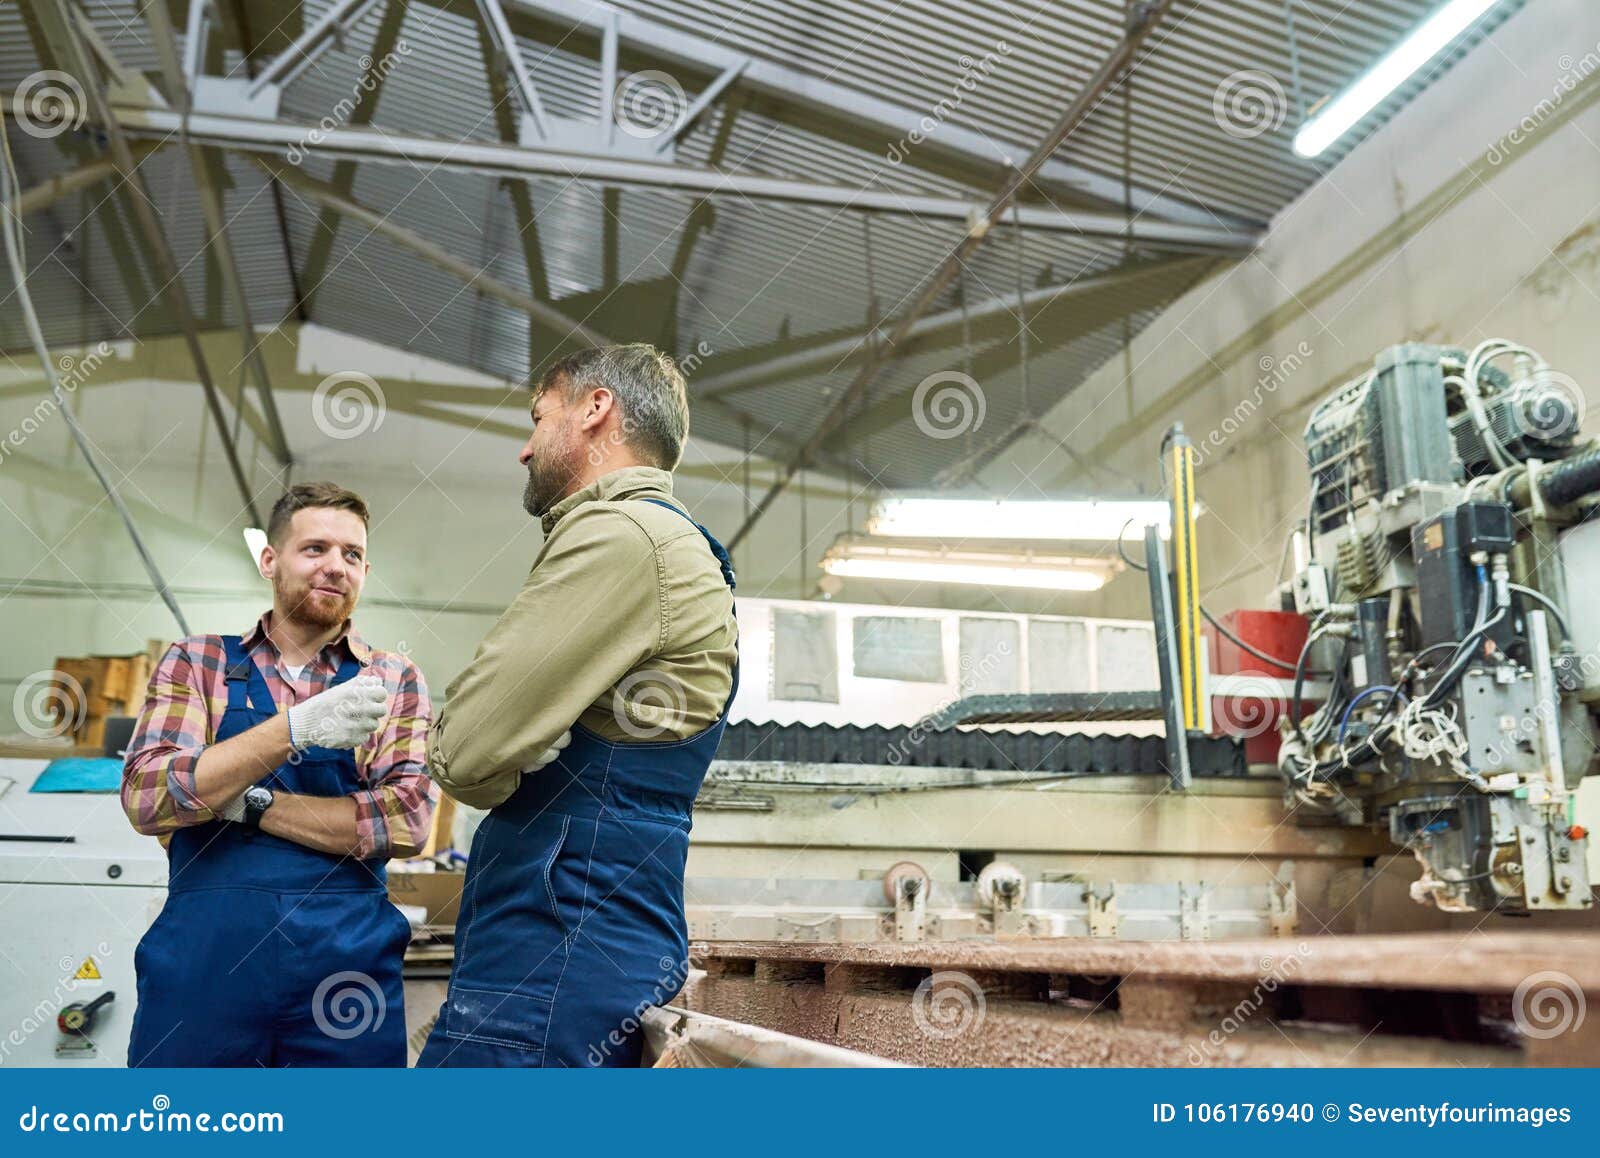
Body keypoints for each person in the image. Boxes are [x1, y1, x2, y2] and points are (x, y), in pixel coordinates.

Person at [418, 343, 738, 1068]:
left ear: (596, 409)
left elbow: (464, 753)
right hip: (598, 940)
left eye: (538, 418)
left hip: (551, 946)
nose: (524, 451)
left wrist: (500, 759)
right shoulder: (679, 543)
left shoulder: (620, 536)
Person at [120, 482, 435, 1067]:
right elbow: (149, 797)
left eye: (352, 555)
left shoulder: (394, 678)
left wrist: (243, 799)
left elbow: (405, 821)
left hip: (345, 974)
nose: (336, 566)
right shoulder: (197, 661)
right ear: (270, 560)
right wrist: (293, 729)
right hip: (205, 967)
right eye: (314, 548)